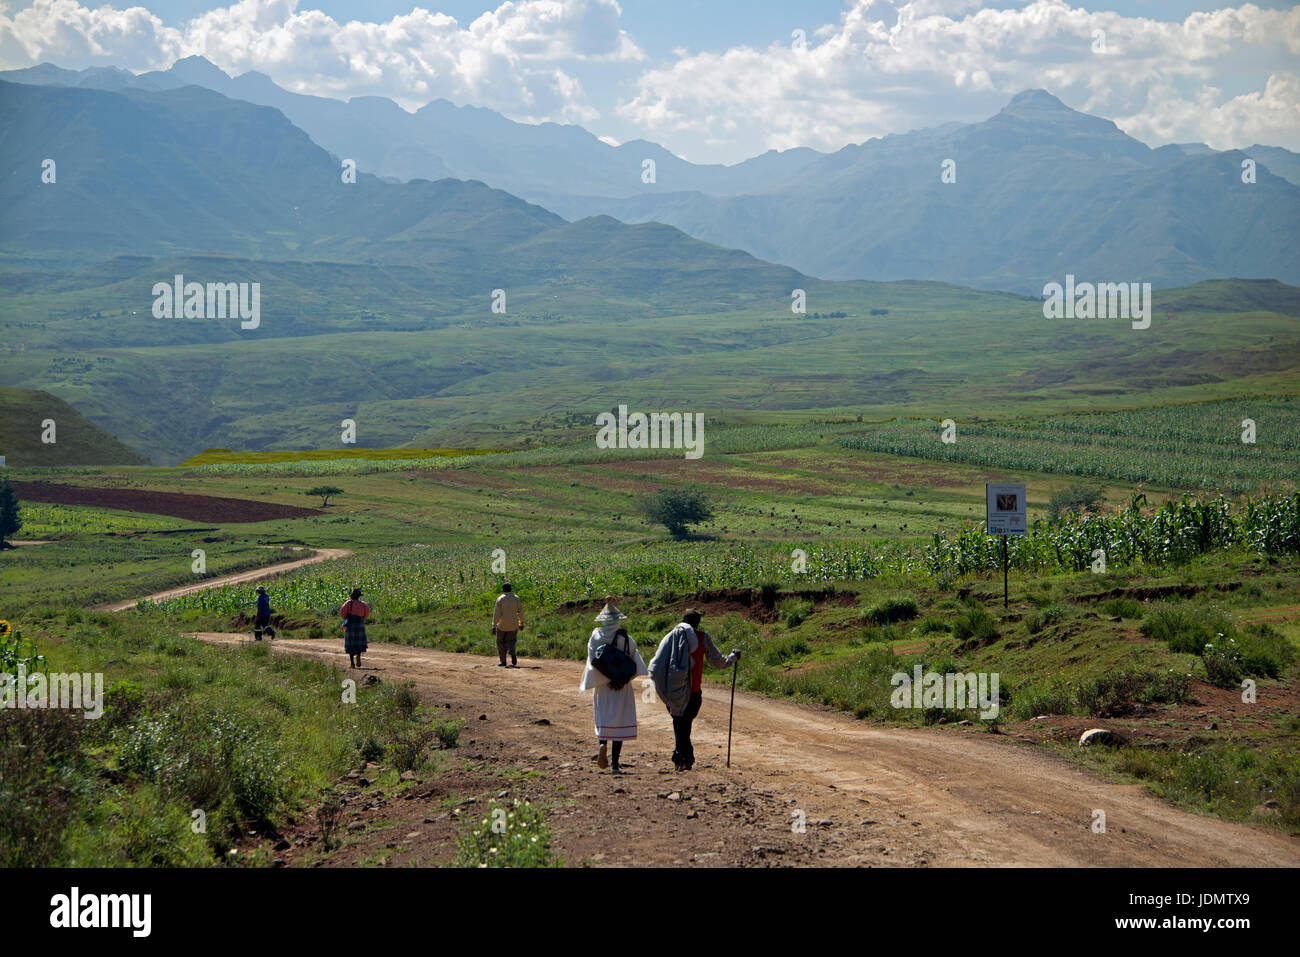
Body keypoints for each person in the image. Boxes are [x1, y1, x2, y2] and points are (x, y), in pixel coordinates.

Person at [659, 608, 739, 772]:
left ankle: (682, 756)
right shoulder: (702, 638)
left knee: (679, 723)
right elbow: (718, 662)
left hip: (673, 691)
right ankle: (684, 756)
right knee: (684, 724)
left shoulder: (671, 637)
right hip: (693, 692)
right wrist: (733, 657)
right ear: (697, 623)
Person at [578, 599, 647, 775]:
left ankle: (602, 745)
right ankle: (615, 764)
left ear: (603, 620)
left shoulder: (595, 638)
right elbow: (637, 666)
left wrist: (604, 678)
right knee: (620, 724)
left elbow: (592, 664)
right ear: (618, 620)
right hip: (621, 688)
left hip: (602, 688)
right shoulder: (627, 639)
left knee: (604, 720)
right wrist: (621, 679)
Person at [492, 582, 524, 668]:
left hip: (502, 625)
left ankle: (503, 661)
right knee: (512, 641)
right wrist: (521, 623)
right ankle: (512, 650)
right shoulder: (516, 598)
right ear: (510, 589)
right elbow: (520, 612)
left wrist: (494, 626)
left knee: (500, 642)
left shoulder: (500, 599)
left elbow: (496, 614)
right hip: (514, 624)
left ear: (503, 589)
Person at [340, 587, 370, 669]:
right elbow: (367, 613)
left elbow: (342, 613)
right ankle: (358, 656)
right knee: (359, 643)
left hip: (351, 624)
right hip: (360, 623)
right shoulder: (363, 604)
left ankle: (352, 663)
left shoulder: (348, 603)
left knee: (350, 643)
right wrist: (361, 618)